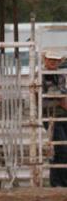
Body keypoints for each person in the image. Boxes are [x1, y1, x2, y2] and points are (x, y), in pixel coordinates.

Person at [42, 50, 67, 187]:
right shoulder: (42, 75)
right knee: (61, 147)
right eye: (50, 59)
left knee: (61, 147)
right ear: (45, 60)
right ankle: (58, 182)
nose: (53, 62)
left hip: (61, 114)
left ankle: (60, 182)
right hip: (51, 114)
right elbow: (57, 95)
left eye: (55, 60)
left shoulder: (60, 75)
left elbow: (60, 94)